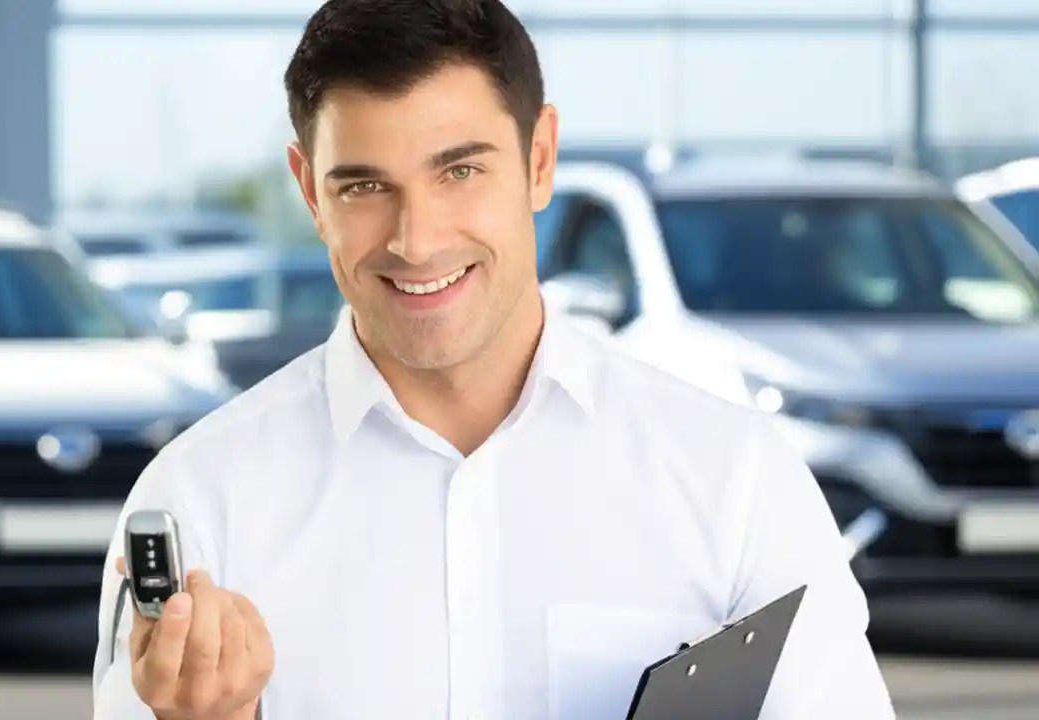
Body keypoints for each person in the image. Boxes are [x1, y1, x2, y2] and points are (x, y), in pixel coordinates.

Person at [92, 1, 896, 717]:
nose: (417, 240)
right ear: (309, 191)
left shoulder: (735, 480)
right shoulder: (200, 500)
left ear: (540, 158)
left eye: (461, 171)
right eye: (364, 187)